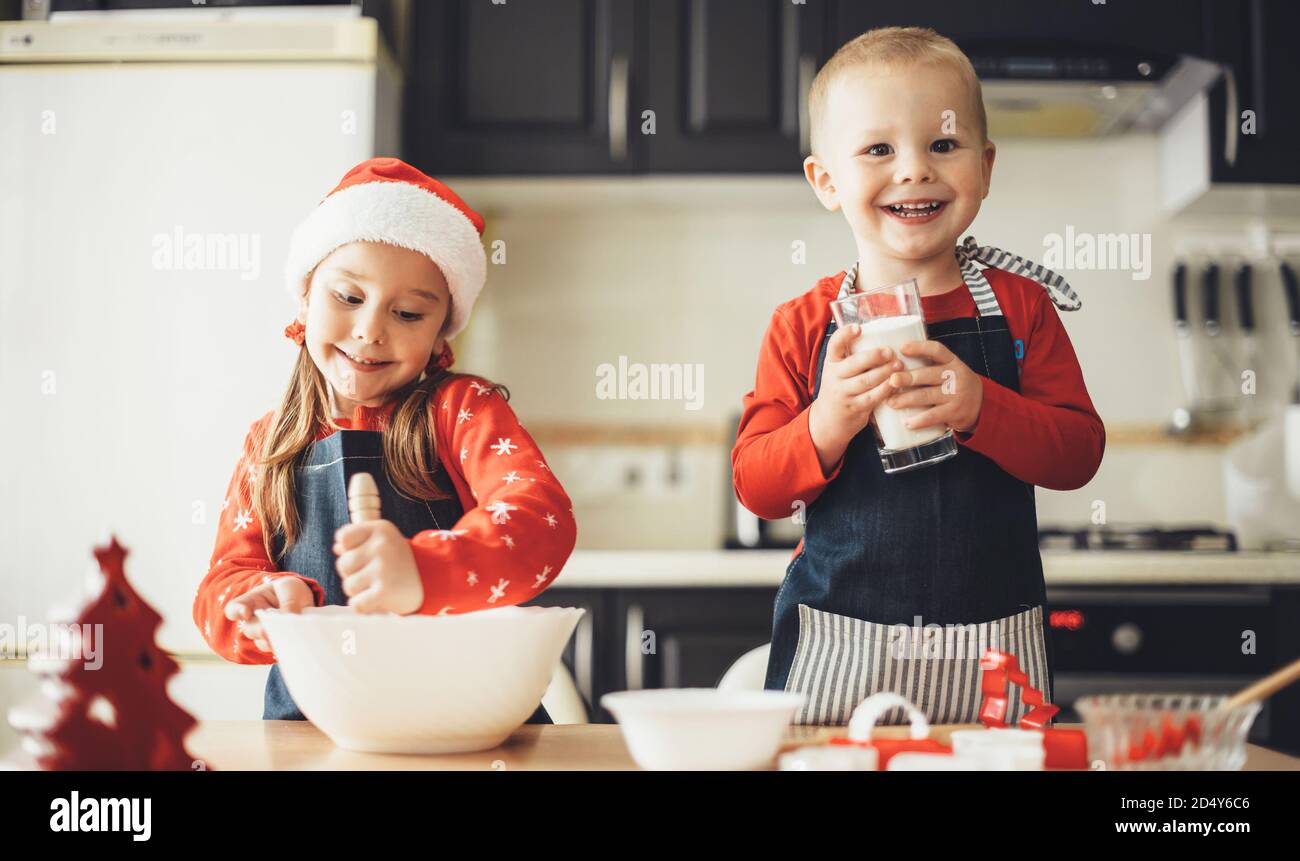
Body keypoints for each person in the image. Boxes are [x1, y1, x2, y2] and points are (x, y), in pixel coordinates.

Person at [732, 28, 1105, 726]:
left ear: (985, 167)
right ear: (827, 181)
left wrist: (983, 408)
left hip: (994, 646)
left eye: (943, 144)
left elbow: (1079, 453)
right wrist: (829, 420)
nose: (914, 170)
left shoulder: (1023, 308)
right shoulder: (802, 323)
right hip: (841, 646)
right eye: (878, 149)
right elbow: (757, 485)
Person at [193, 158, 576, 721]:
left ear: (442, 329)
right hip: (315, 741)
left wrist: (426, 572)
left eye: (407, 312)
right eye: (348, 298)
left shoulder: (462, 411)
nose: (372, 329)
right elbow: (219, 588)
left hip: (468, 731)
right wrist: (260, 605)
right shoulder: (267, 444)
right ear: (304, 298)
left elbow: (541, 521)